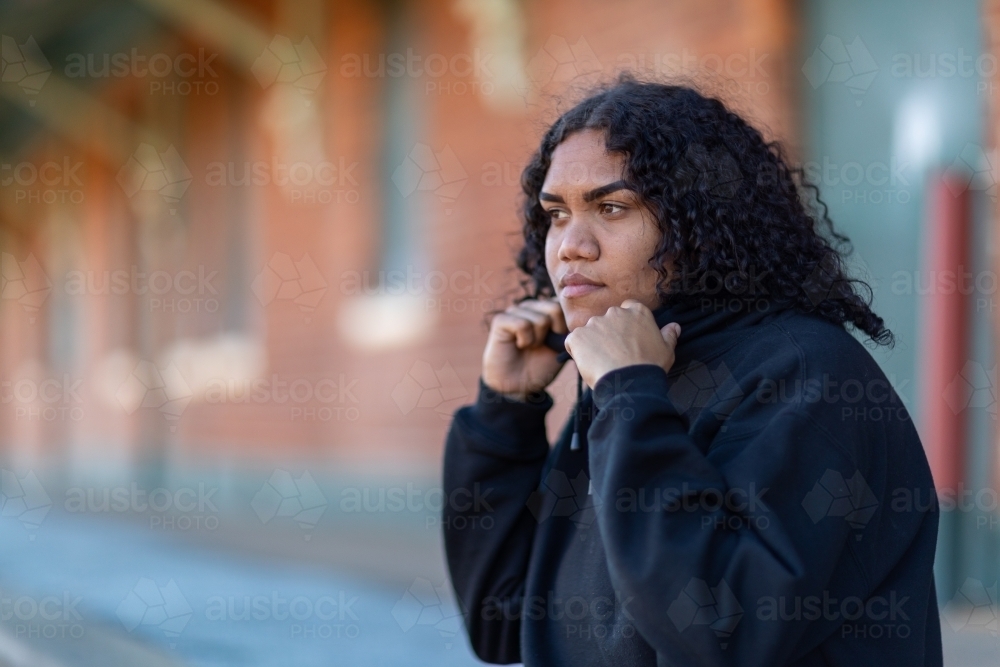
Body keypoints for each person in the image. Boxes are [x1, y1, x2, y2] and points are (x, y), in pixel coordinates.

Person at [441, 74, 942, 666]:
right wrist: (503, 416)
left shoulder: (806, 374)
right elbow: (506, 622)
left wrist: (631, 399)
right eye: (555, 214)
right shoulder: (631, 370)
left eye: (611, 207)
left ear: (696, 219)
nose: (571, 245)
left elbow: (719, 634)